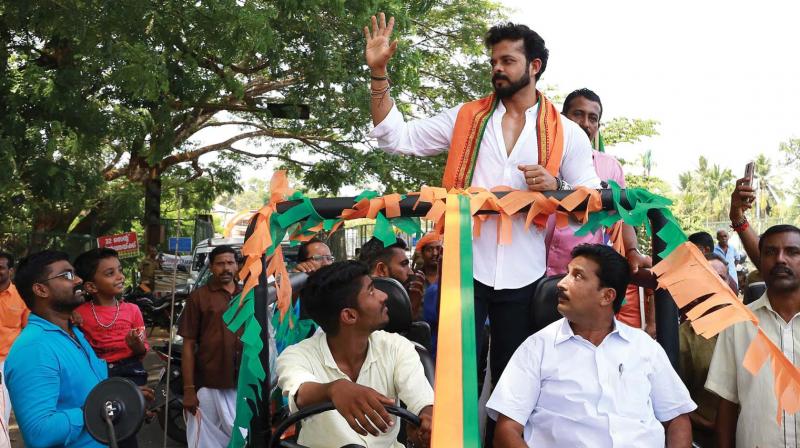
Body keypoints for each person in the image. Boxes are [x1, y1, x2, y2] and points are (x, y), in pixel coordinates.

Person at [365, 16, 602, 400]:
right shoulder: (466, 118)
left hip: (524, 273)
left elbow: (592, 194)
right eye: (494, 61)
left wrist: (557, 186)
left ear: (534, 67)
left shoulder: (565, 130)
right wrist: (378, 74)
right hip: (464, 267)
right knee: (453, 381)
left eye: (507, 61)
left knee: (514, 382)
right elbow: (397, 138)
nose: (497, 69)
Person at [487, 244, 695, 447]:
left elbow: (677, 419)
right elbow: (507, 432)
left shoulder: (645, 347)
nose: (561, 283)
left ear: (607, 296)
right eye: (567, 273)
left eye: (577, 276)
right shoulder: (537, 347)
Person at [276, 261, 433, 448]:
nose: (384, 296)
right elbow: (299, 391)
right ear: (349, 316)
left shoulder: (397, 347)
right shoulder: (296, 356)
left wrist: (428, 420)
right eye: (372, 291)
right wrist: (333, 390)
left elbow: (422, 400)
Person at [553, 88, 653, 334]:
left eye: (592, 118)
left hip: (584, 281)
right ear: (562, 118)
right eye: (578, 114)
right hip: (536, 273)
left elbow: (623, 216)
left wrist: (631, 250)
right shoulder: (543, 158)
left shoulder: (610, 166)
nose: (585, 123)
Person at [705, 224, 800, 447]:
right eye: (770, 252)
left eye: (792, 252)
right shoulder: (738, 324)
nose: (780, 259)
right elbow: (727, 405)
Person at [5, 250, 108, 448]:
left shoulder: (73, 332)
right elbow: (39, 432)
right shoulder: (34, 349)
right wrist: (101, 407)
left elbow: (88, 392)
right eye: (67, 275)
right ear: (41, 290)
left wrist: (126, 398)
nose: (78, 280)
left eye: (75, 273)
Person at [179, 245, 242, 447]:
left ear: (237, 266)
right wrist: (188, 390)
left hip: (242, 382)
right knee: (206, 440)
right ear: (212, 267)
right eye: (220, 264)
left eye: (230, 263)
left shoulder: (248, 295)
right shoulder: (199, 297)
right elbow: (188, 345)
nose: (226, 268)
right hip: (208, 383)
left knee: (242, 437)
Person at [73, 248, 149, 387]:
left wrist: (137, 346)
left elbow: (142, 352)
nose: (120, 276)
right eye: (110, 273)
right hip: (96, 374)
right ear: (91, 286)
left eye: (120, 270)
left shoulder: (133, 310)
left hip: (132, 372)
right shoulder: (78, 314)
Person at [677, 252, 730, 448]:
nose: (716, 284)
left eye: (721, 278)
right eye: (708, 278)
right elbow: (673, 400)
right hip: (705, 438)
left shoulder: (751, 325)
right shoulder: (682, 338)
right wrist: (708, 424)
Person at [359, 237, 425, 321]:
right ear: (382, 269)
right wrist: (410, 311)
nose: (410, 272)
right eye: (403, 264)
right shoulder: (364, 310)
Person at [0, 251, 27, 444]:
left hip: (7, 364)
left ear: (11, 270)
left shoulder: (21, 297)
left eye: (0, 267)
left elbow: (27, 333)